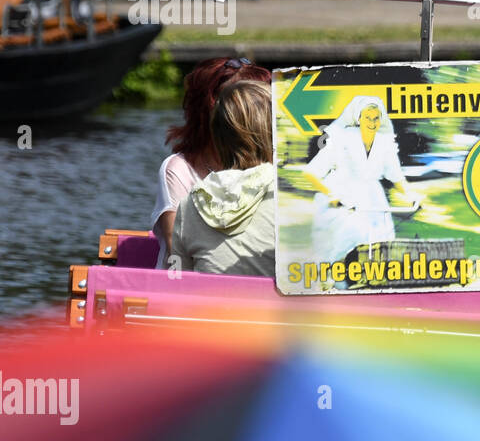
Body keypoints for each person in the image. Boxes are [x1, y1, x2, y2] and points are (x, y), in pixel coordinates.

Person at [150, 57, 272, 269]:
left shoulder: (278, 174)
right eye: (239, 103)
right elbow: (178, 260)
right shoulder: (179, 170)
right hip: (185, 289)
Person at [170, 81, 277, 277]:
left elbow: (176, 280)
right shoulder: (287, 194)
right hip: (281, 307)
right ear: (275, 132)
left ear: (217, 136)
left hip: (209, 307)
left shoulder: (189, 204)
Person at [299, 96, 422, 265]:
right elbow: (310, 172)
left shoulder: (385, 143)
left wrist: (410, 195)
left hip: (374, 201)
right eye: (367, 118)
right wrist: (332, 194)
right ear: (358, 118)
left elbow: (396, 177)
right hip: (344, 198)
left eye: (376, 118)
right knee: (346, 248)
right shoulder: (342, 139)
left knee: (379, 251)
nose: (372, 122)